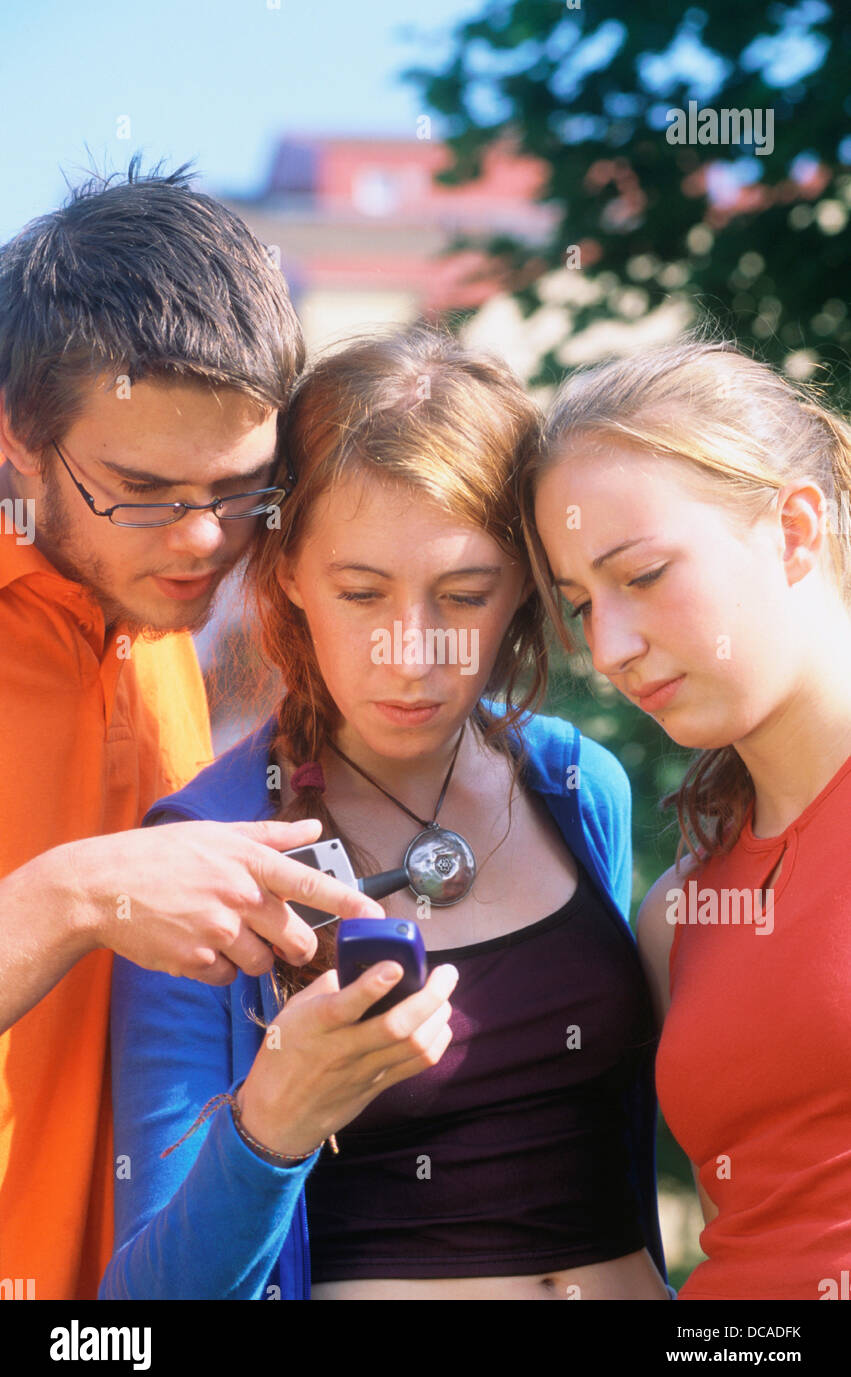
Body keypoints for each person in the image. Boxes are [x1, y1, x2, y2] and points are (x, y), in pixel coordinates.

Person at [100, 326, 669, 1301]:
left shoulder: (578, 784)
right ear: (285, 572)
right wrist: (272, 1121)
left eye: (463, 593)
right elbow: (143, 1308)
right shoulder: (202, 848)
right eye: (361, 593)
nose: (411, 654)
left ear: (524, 584)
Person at [0, 159, 383, 1300]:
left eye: (238, 489)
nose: (204, 543)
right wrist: (74, 896)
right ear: (18, 435)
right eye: (145, 489)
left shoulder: (158, 614)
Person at [521, 335, 851, 1300]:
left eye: (646, 574)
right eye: (578, 605)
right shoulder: (679, 915)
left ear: (795, 530)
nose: (607, 648)